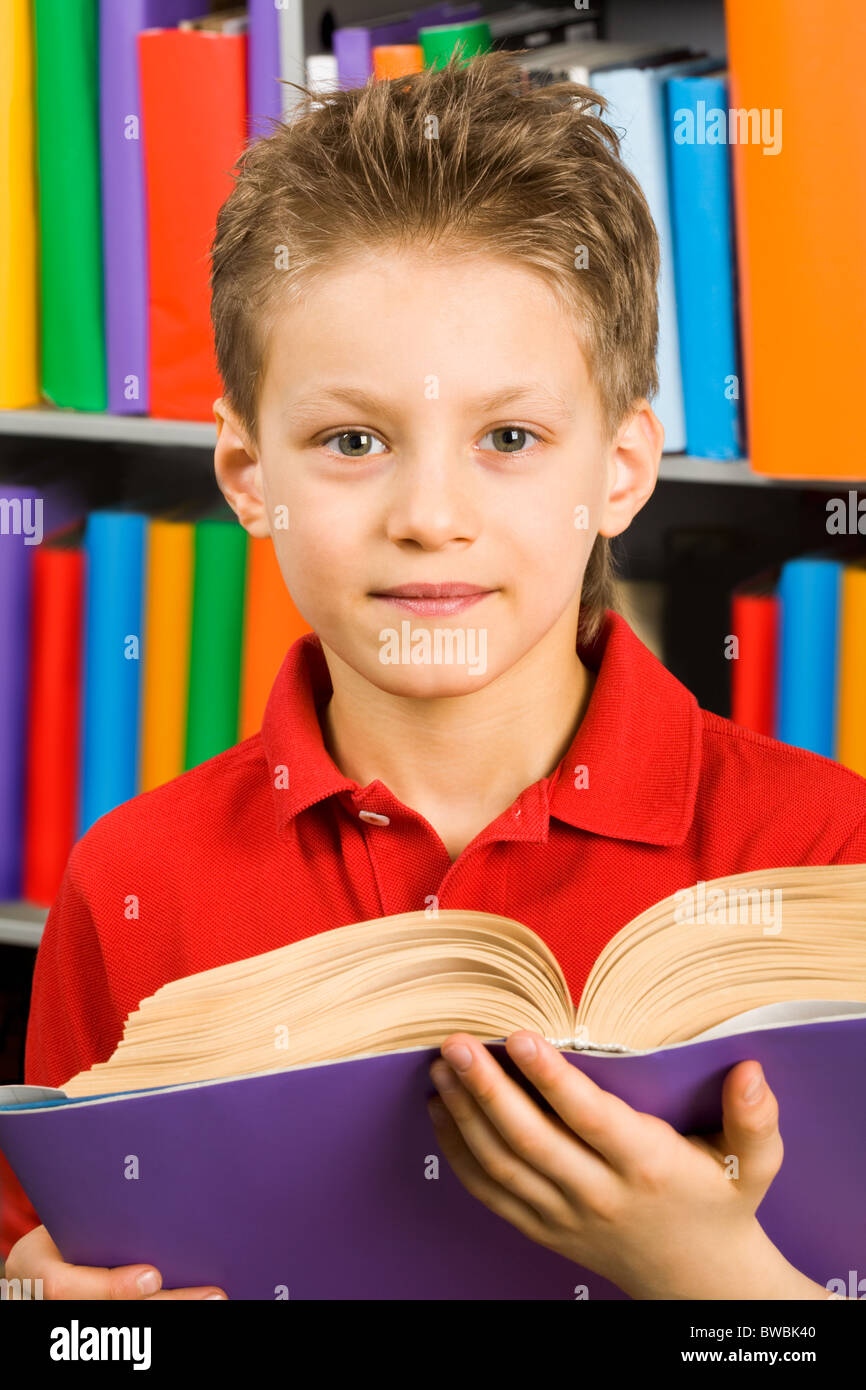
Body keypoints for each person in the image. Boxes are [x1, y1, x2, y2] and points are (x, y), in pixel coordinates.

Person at [5, 51, 865, 1300]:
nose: (428, 514)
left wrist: (711, 1277)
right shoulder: (133, 877)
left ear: (619, 469)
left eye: (508, 438)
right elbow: (57, 1296)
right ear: (248, 477)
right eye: (352, 440)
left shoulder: (824, 845)